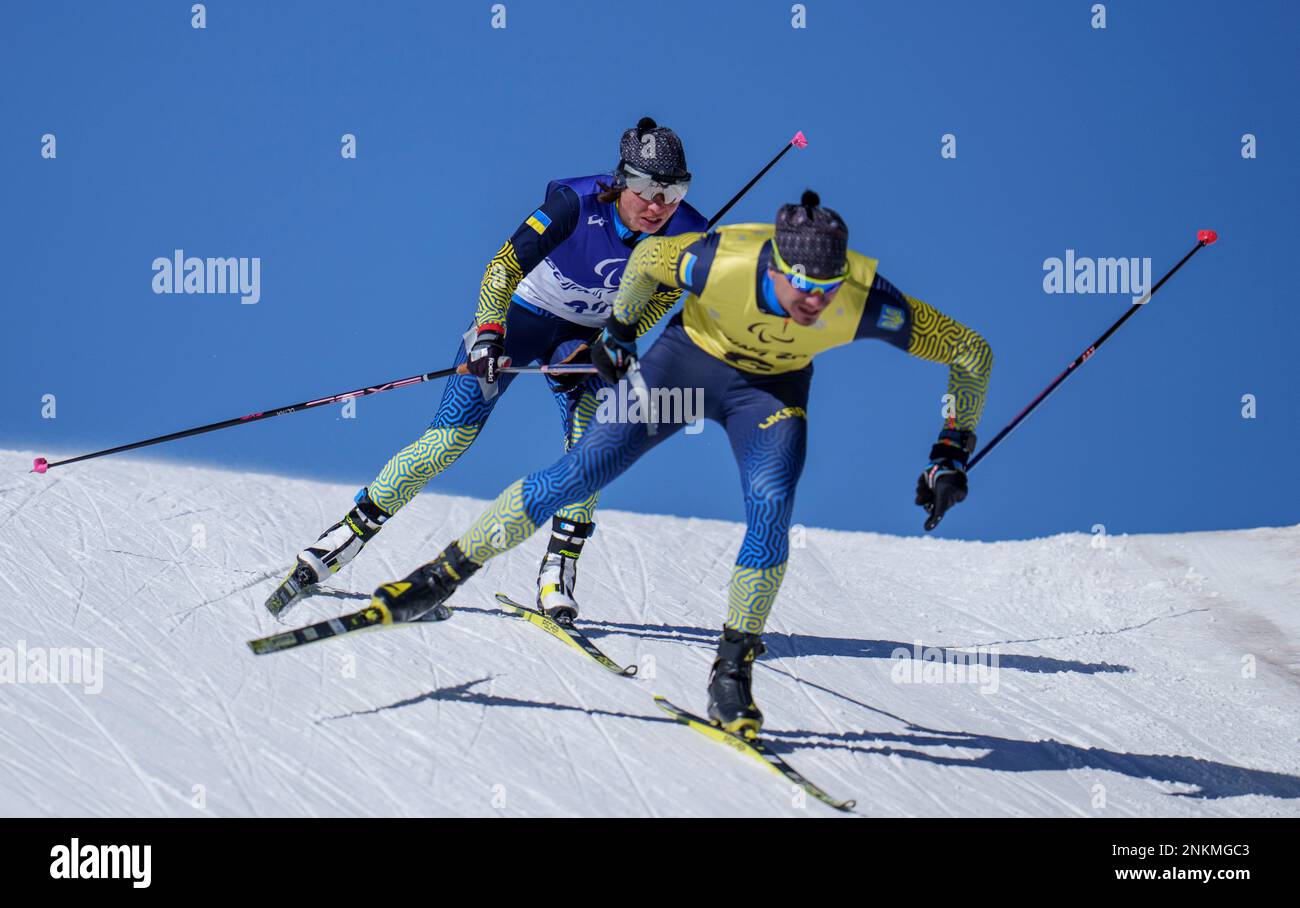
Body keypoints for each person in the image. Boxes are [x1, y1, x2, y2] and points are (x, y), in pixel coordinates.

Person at [364, 190, 993, 737]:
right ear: (775, 264)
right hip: (685, 369)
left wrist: (951, 449)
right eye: (801, 286)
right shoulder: (718, 261)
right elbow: (647, 260)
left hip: (767, 396)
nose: (812, 304)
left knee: (772, 504)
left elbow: (971, 353)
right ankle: (439, 577)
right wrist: (620, 331)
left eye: (825, 292)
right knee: (582, 471)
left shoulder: (861, 301)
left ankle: (732, 672)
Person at [265, 118, 708, 621]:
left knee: (590, 448)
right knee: (447, 441)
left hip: (580, 339)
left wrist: (612, 340)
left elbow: (664, 295)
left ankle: (558, 569)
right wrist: (490, 332)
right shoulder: (576, 204)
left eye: (674, 191)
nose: (659, 205)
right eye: (648, 189)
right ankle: (343, 537)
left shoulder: (688, 232)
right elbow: (503, 266)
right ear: (621, 180)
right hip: (520, 316)